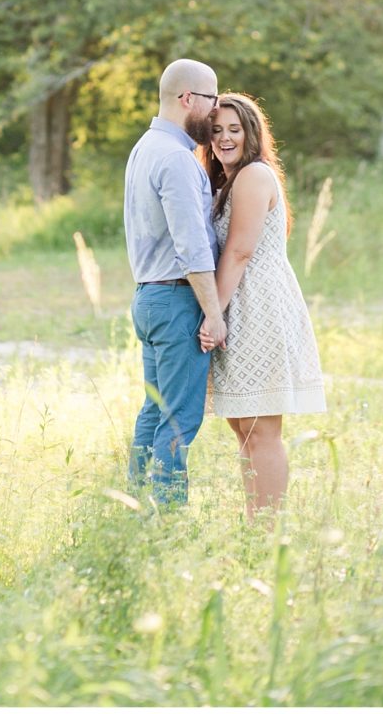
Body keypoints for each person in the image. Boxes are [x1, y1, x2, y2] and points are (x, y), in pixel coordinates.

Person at [198, 92, 326, 519]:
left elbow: (240, 251)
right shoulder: (226, 180)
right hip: (238, 302)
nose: (225, 138)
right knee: (244, 429)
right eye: (217, 130)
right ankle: (256, 527)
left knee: (261, 430)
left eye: (234, 129)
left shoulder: (253, 175)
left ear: (251, 133)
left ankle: (269, 532)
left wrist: (212, 312)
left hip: (258, 307)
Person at [124, 58, 227, 504]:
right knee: (179, 420)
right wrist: (214, 314)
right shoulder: (176, 159)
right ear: (188, 99)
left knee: (156, 411)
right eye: (212, 98)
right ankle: (166, 521)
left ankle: (136, 508)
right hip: (176, 302)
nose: (217, 109)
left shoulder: (145, 147)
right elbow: (192, 247)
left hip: (149, 297)